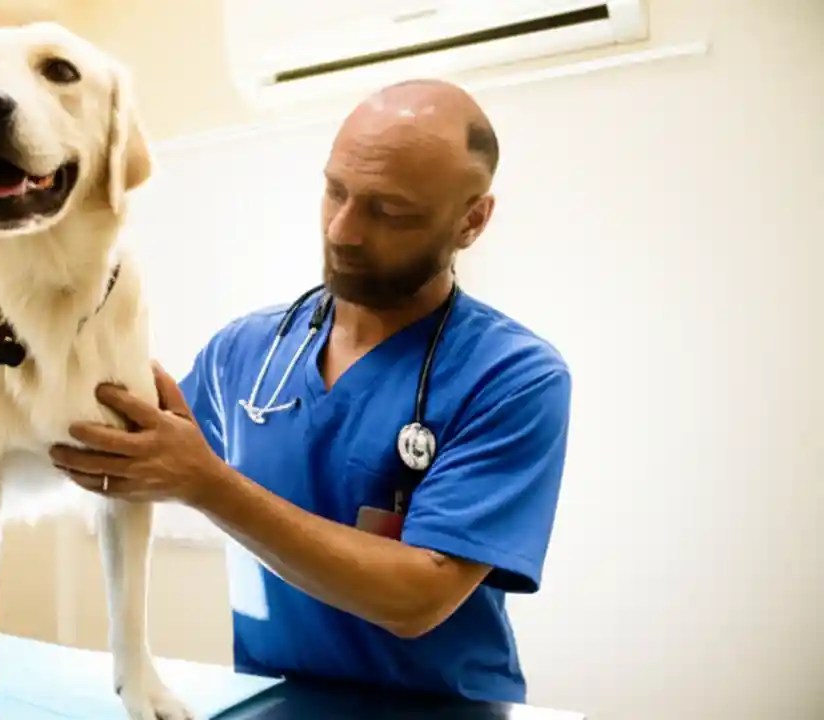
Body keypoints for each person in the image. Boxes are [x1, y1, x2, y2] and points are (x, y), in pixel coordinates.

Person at [49, 78, 571, 705]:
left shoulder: (512, 376)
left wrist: (207, 483)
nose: (344, 231)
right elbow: (114, 451)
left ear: (472, 220)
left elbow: (418, 596)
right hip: (270, 701)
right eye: (335, 191)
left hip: (442, 711)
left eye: (390, 211)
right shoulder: (245, 353)